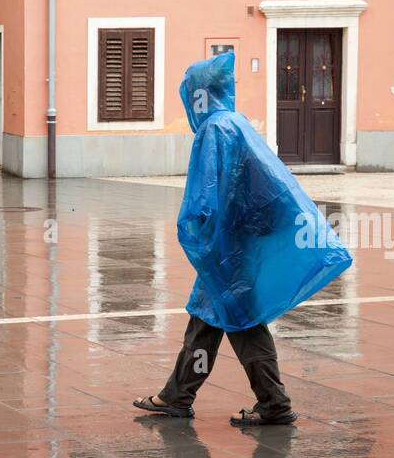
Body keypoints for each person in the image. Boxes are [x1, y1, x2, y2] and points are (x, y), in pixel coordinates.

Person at [134, 51, 352, 427]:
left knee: (240, 319)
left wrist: (198, 233)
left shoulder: (215, 130)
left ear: (198, 95)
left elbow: (206, 197)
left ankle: (271, 403)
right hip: (238, 242)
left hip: (229, 246)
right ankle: (179, 396)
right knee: (210, 317)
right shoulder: (235, 123)